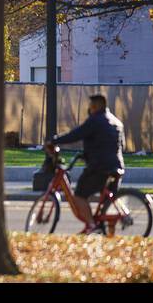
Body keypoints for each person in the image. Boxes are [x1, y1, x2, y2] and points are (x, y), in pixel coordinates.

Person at [48, 94, 125, 233]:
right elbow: (119, 145)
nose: (89, 109)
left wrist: (55, 141)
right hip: (117, 166)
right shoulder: (117, 122)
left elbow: (76, 134)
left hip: (100, 167)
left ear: (95, 106)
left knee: (79, 195)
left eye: (90, 106)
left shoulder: (95, 120)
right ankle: (107, 233)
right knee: (107, 201)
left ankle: (91, 225)